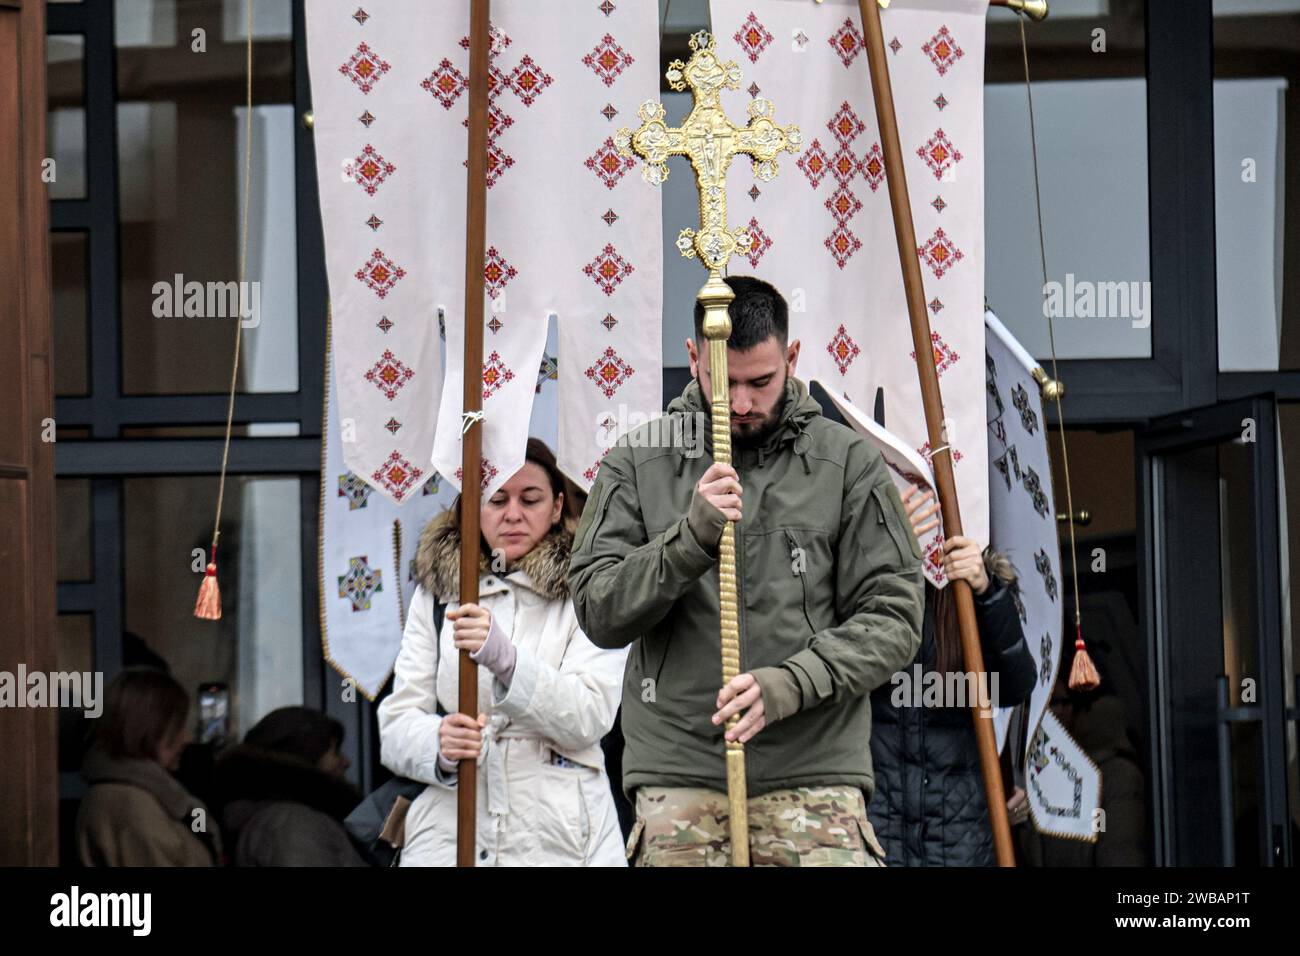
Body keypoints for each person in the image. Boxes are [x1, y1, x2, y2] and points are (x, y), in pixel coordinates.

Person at [568, 275, 925, 867]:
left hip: (814, 776)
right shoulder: (638, 462)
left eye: (760, 382)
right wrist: (689, 542)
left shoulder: (847, 464)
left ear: (792, 358)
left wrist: (788, 683)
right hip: (681, 775)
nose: (740, 403)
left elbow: (894, 620)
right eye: (722, 381)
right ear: (692, 359)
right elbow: (598, 611)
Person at [378, 438, 629, 866]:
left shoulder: (591, 593)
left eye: (530, 499)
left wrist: (508, 662)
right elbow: (396, 726)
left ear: (556, 507)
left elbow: (589, 715)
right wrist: (436, 743)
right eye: (496, 500)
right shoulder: (439, 595)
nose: (513, 514)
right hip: (450, 828)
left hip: (559, 831)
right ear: (472, 509)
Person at [866, 485, 1037, 866]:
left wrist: (986, 591)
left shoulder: (973, 588)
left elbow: (1015, 684)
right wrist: (884, 558)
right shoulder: (865, 578)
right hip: (880, 817)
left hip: (956, 826)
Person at [77, 667, 220, 867]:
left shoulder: (143, 796)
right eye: (177, 727)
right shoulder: (134, 806)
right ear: (148, 728)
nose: (186, 738)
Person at [213, 706, 367, 866]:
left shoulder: (283, 818)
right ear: (306, 757)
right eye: (335, 751)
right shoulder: (293, 824)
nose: (345, 762)